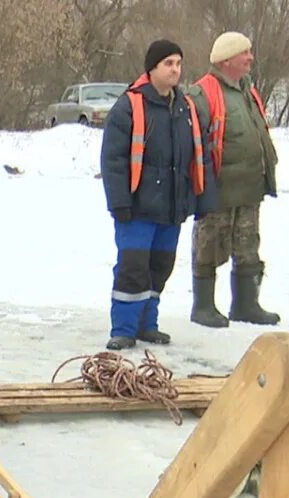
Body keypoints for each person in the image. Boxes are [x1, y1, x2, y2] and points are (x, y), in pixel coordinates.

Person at [100, 39, 216, 351]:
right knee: (133, 268)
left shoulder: (187, 107)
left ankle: (146, 325)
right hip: (137, 209)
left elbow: (201, 156)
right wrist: (119, 202)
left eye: (178, 63)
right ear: (152, 68)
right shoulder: (129, 106)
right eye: (168, 64)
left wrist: (203, 200)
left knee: (159, 268)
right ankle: (123, 328)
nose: (175, 70)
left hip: (172, 209)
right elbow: (113, 160)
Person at [187, 31, 280, 327]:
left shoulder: (247, 90)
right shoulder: (203, 93)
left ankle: (246, 304)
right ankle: (203, 307)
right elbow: (193, 141)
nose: (251, 58)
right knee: (209, 244)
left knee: (248, 244)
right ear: (227, 59)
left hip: (250, 187)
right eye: (245, 53)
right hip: (218, 189)